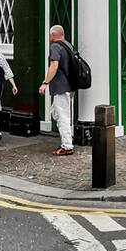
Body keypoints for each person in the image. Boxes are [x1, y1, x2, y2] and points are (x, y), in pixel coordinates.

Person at [39, 23, 74, 157]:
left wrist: (45, 83)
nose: (49, 37)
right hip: (69, 86)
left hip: (60, 87)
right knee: (56, 112)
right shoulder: (68, 45)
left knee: (62, 117)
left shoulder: (55, 47)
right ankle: (67, 138)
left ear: (53, 35)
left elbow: (54, 66)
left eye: (49, 34)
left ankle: (67, 146)